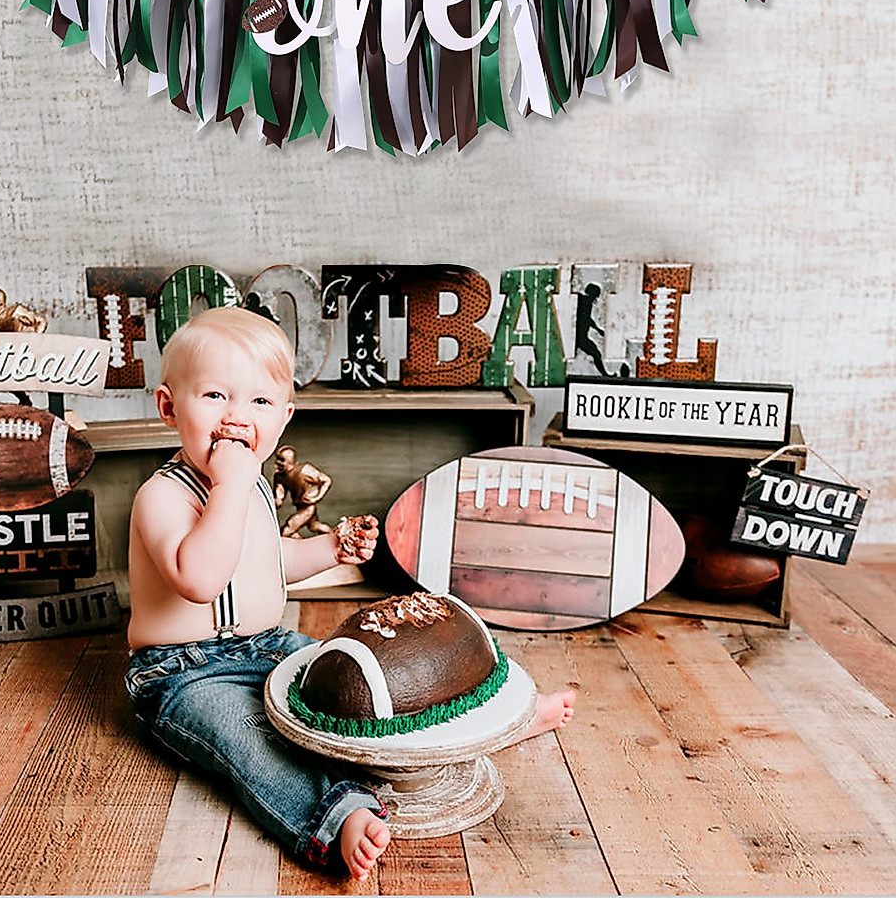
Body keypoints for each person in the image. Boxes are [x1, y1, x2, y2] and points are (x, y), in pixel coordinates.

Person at [126, 306, 575, 880]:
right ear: (170, 408)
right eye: (215, 396)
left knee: (358, 687)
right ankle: (337, 816)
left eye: (259, 402)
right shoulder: (162, 497)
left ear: (283, 418)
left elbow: (265, 565)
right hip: (182, 673)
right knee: (253, 739)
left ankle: (486, 725)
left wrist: (328, 551)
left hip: (264, 642)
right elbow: (201, 579)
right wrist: (232, 485)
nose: (236, 418)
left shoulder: (252, 486)